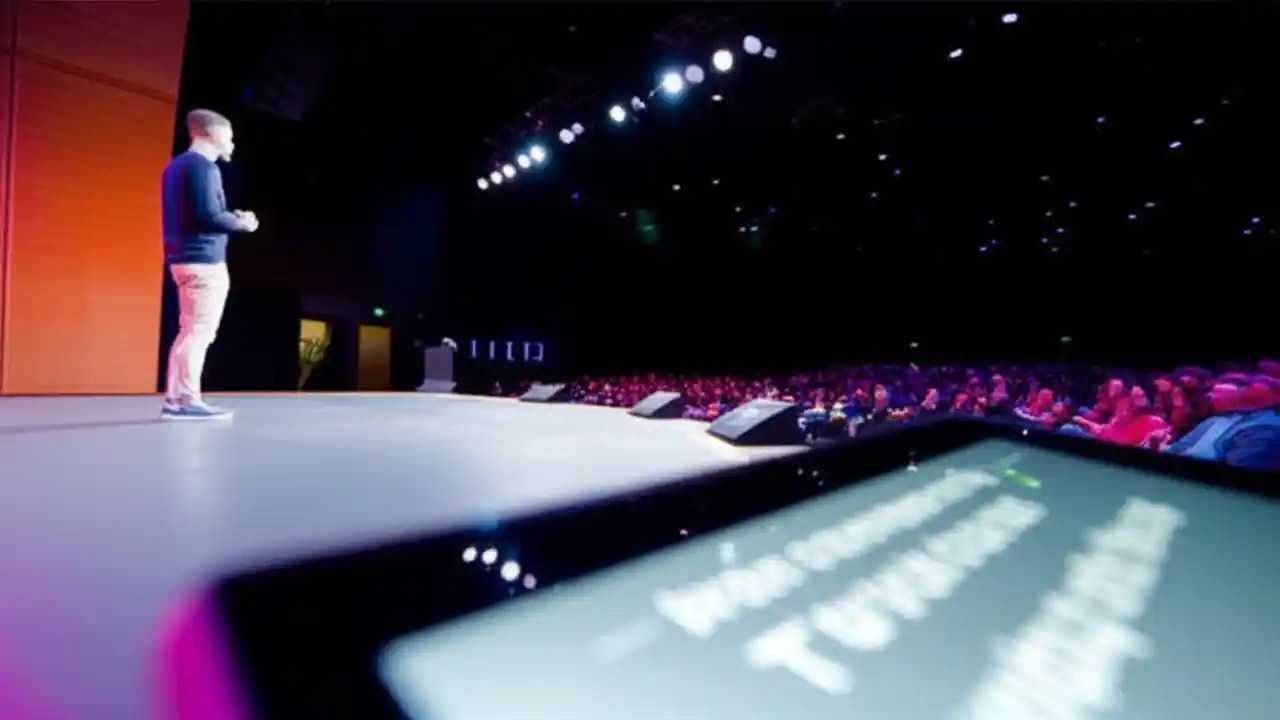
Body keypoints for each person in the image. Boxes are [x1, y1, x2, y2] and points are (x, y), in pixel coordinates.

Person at [160, 109, 258, 420]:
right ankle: (188, 399)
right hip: (203, 261)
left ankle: (175, 397)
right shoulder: (202, 167)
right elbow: (209, 216)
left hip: (182, 259)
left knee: (188, 331)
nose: (231, 144)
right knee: (199, 332)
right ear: (211, 133)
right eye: (229, 137)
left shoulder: (175, 167)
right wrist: (243, 223)